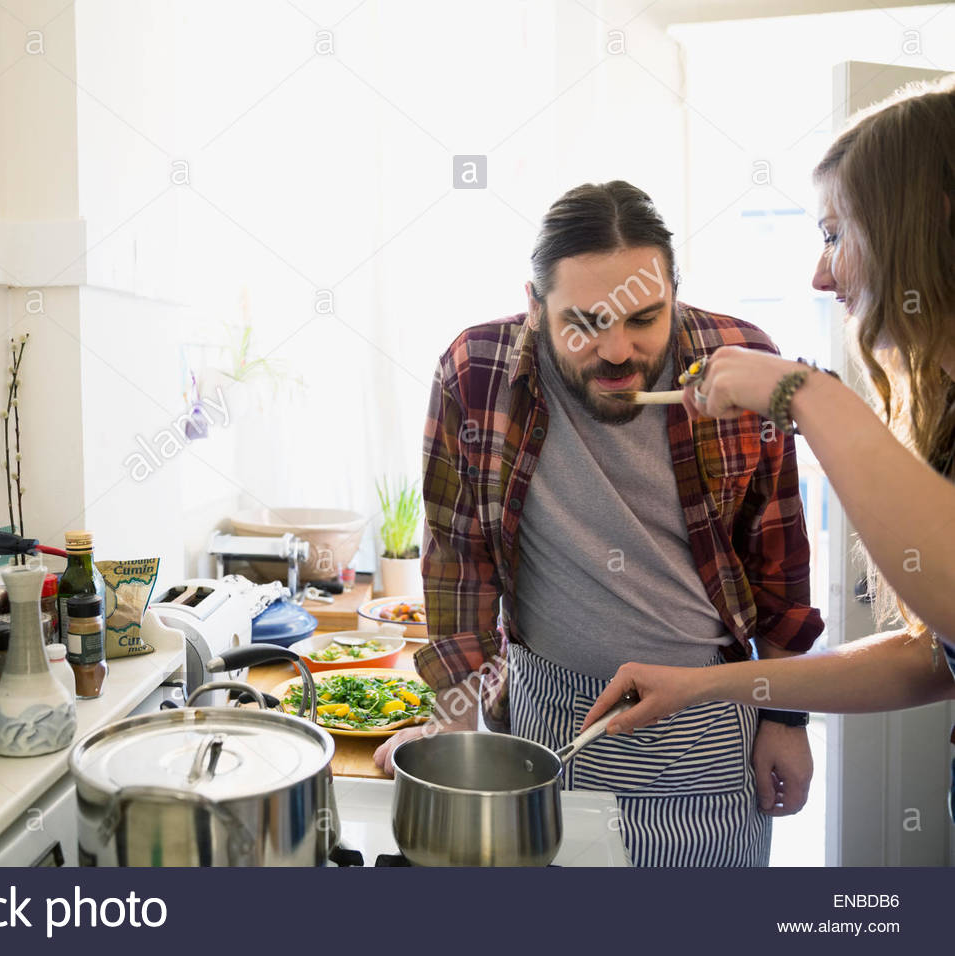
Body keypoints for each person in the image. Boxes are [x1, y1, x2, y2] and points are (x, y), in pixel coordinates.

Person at [373, 180, 824, 866]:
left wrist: (786, 717)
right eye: (584, 324)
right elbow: (458, 565)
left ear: (675, 290)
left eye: (644, 318)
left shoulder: (742, 361)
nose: (617, 351)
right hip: (547, 714)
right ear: (533, 305)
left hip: (708, 719)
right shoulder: (476, 372)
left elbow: (779, 566)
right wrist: (454, 729)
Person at [581, 77, 955, 822]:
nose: (820, 276)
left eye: (835, 234)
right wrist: (707, 686)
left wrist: (805, 395)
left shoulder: (788, 381)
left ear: (932, 220)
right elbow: (932, 656)